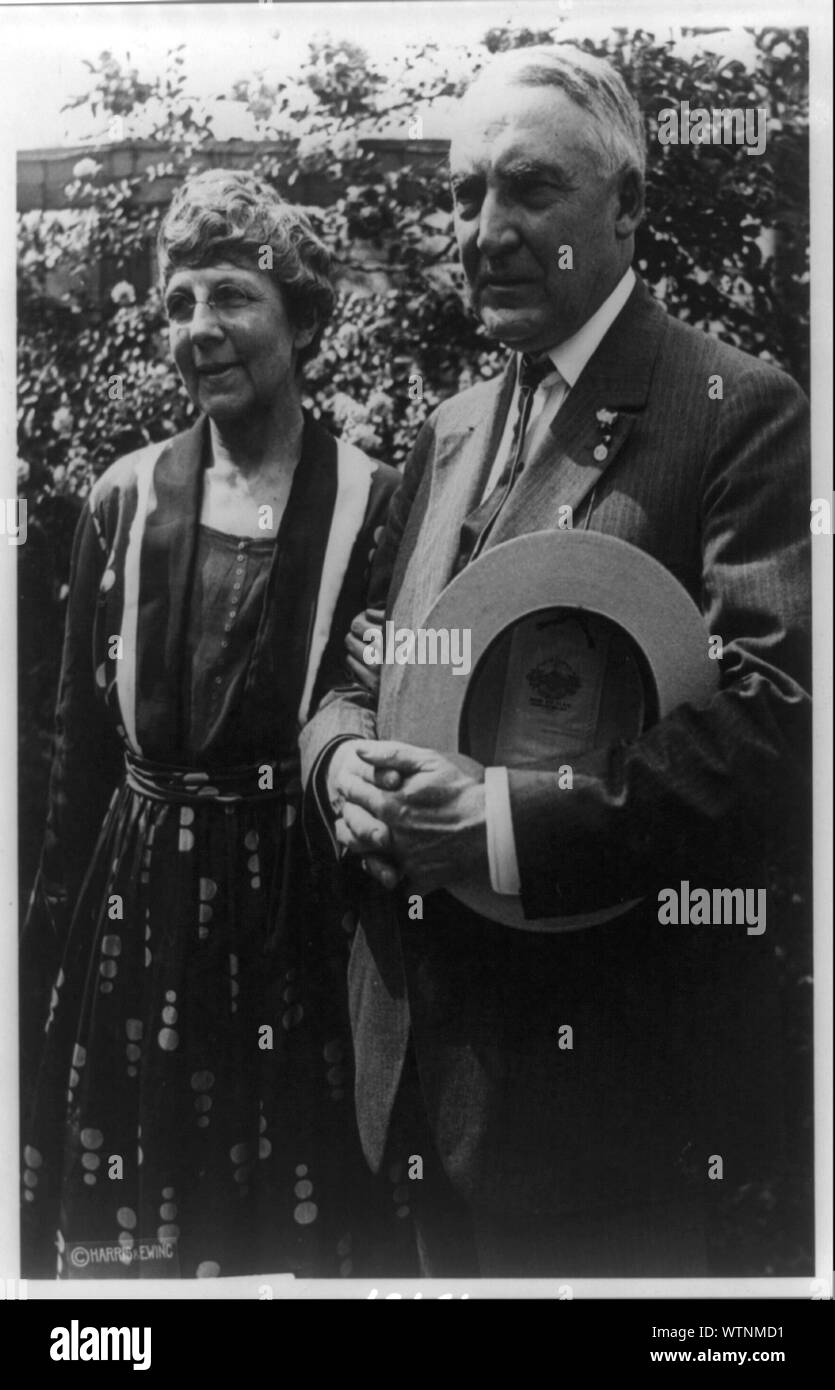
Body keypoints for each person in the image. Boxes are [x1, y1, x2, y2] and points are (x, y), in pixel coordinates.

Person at [300, 46, 812, 1277]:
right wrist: (337, 764)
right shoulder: (449, 428)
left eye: (529, 189)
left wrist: (498, 823)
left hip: (595, 1114)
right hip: (411, 1073)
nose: (485, 232)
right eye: (463, 193)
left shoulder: (734, 409)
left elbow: (780, 727)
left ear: (626, 205)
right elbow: (355, 667)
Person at [20, 168, 405, 1280]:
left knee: (295, 1204)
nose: (200, 328)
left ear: (303, 318)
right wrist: (47, 942)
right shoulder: (125, 498)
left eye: (232, 295)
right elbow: (78, 755)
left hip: (300, 903)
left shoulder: (376, 502)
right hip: (145, 906)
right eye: (179, 303)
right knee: (144, 1201)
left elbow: (394, 706)